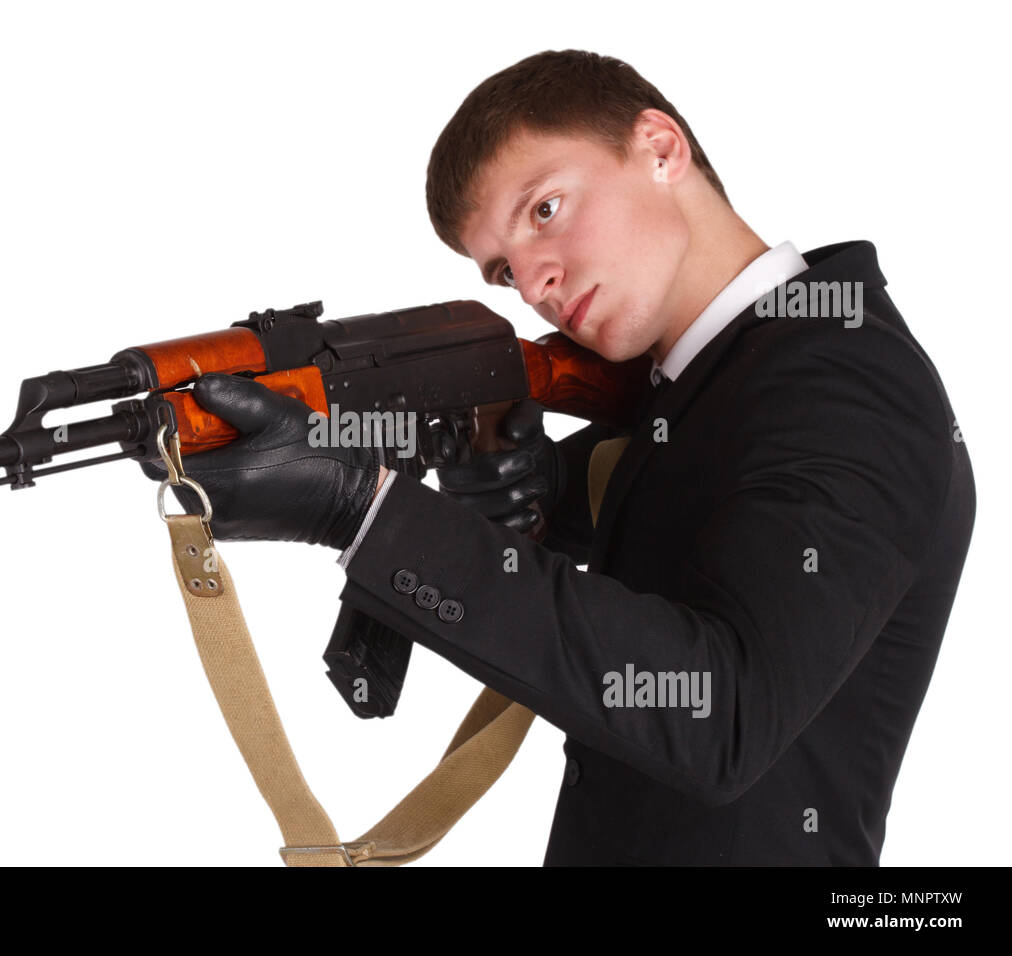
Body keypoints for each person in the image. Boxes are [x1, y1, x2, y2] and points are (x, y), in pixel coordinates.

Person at [144, 50, 976, 865]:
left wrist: (360, 510)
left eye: (545, 210)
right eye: (504, 272)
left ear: (659, 147)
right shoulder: (685, 395)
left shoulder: (846, 377)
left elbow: (720, 714)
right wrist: (502, 483)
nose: (536, 281)